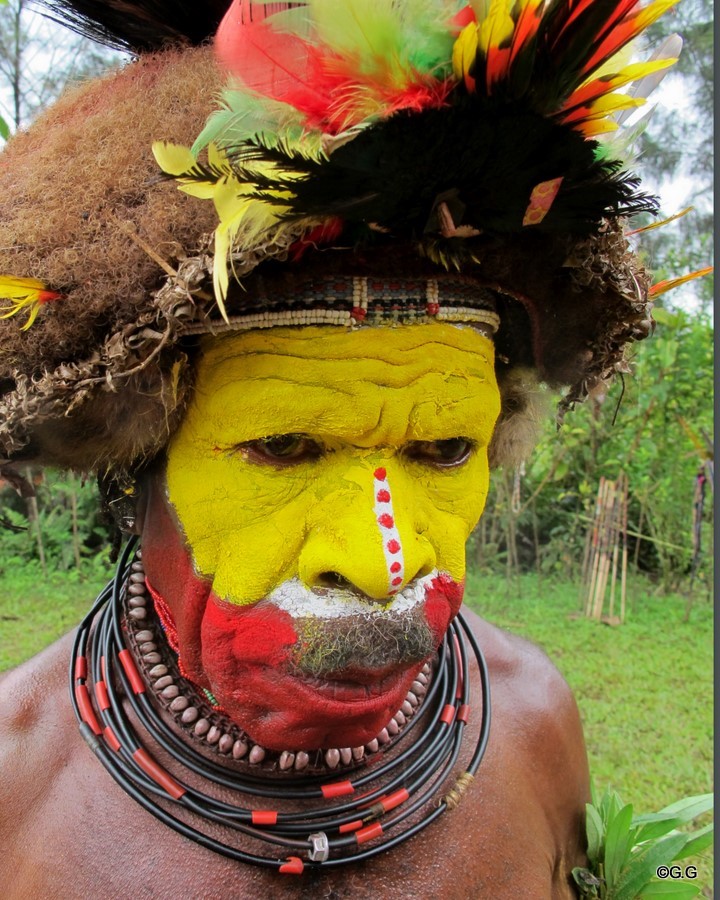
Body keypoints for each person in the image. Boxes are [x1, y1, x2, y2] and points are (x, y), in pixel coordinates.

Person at [0, 1, 683, 895]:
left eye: (442, 448)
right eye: (284, 446)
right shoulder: (17, 783)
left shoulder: (536, 726)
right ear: (138, 459)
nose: (379, 563)